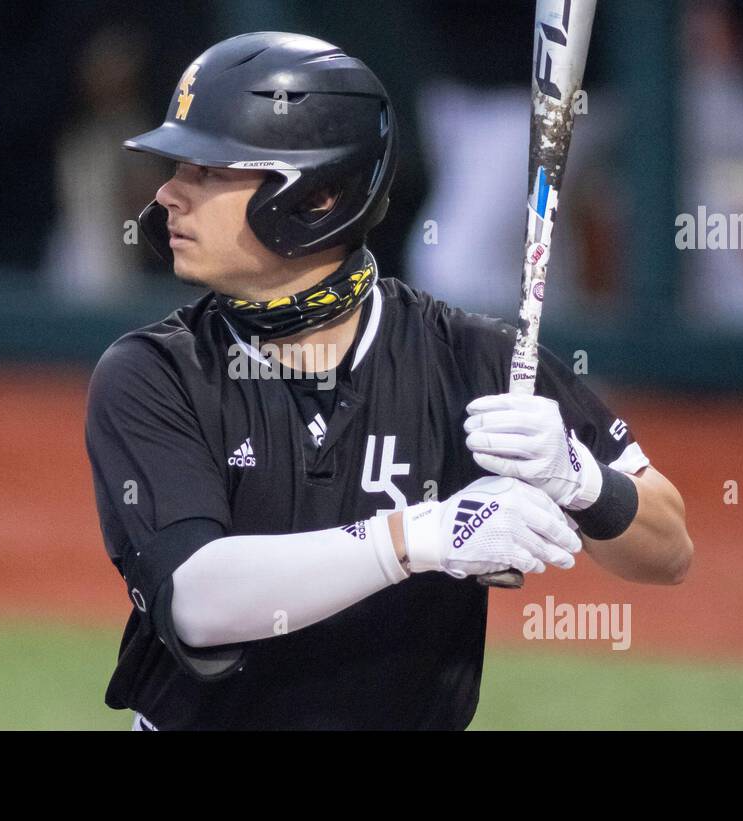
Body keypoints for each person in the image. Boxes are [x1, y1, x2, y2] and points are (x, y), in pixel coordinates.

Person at [84, 32, 693, 731]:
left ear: (315, 197)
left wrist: (581, 481)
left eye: (207, 170)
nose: (167, 192)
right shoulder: (154, 374)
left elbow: (669, 551)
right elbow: (197, 599)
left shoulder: (470, 360)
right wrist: (419, 535)